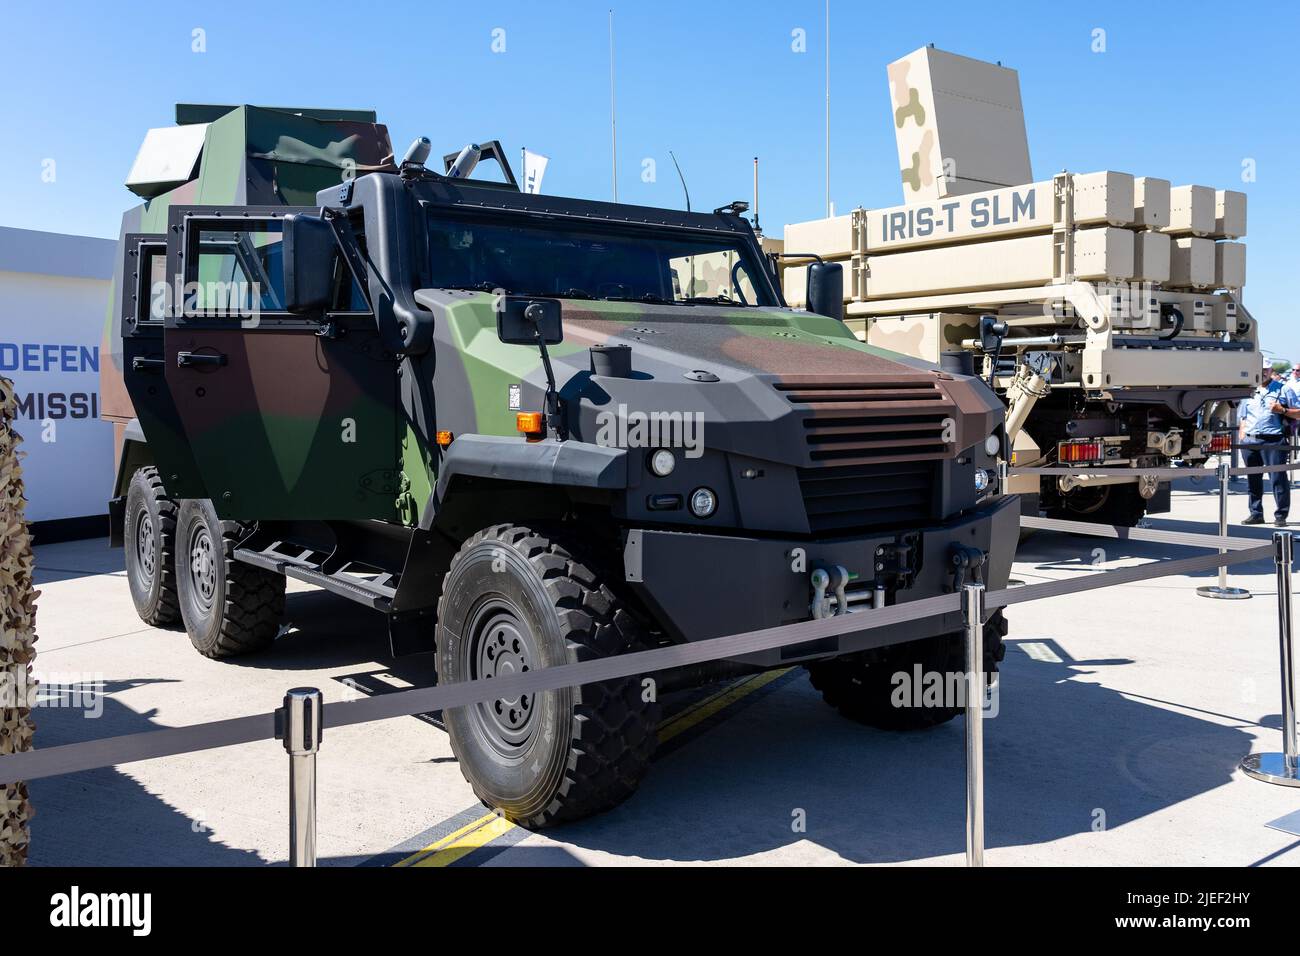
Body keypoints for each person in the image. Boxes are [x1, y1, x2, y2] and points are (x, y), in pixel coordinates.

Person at [1238, 365, 1294, 525]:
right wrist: (1242, 436)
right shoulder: (1249, 390)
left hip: (1273, 440)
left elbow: (1298, 412)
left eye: (1266, 369)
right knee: (1253, 479)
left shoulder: (1283, 389)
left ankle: (1281, 515)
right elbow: (1243, 416)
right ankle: (1256, 513)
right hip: (1250, 441)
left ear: (1271, 371)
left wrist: (1282, 410)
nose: (1262, 372)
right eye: (1259, 368)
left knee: (1277, 479)